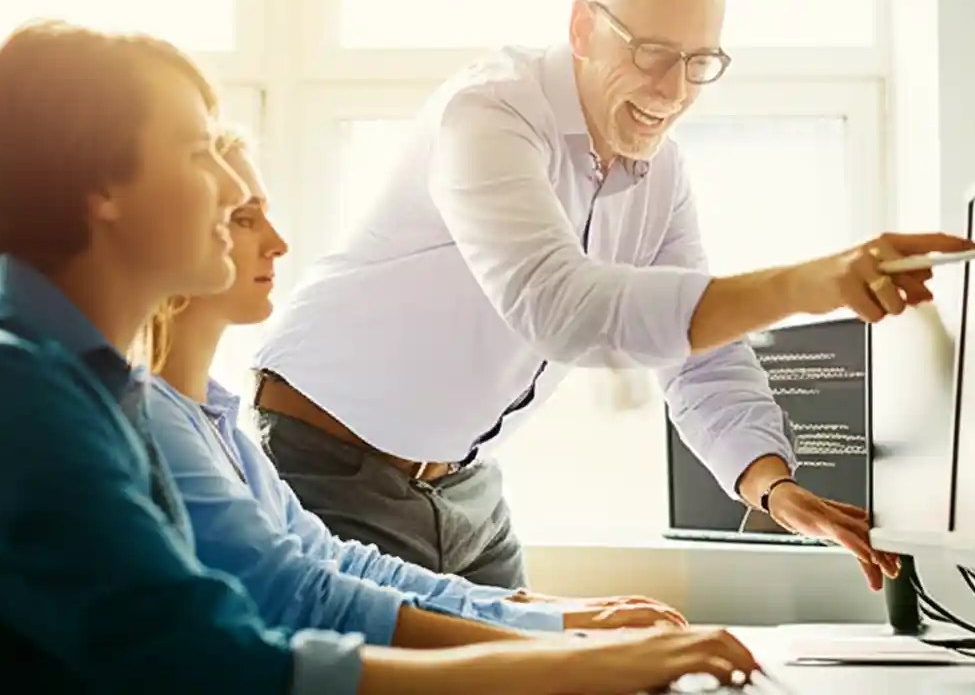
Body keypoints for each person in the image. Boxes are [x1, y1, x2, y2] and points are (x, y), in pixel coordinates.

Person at [0, 20, 763, 693]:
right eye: (200, 153)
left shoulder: (86, 387)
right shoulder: (5, 389)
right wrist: (564, 664)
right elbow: (209, 656)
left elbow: (294, 581)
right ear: (102, 190)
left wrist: (560, 642)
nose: (235, 194)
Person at [252, 0, 966, 590]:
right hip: (324, 465)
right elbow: (563, 310)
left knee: (548, 674)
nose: (676, 90)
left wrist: (770, 484)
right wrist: (815, 282)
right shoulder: (491, 112)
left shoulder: (663, 175)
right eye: (654, 54)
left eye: (700, 62)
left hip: (462, 484)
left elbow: (696, 353)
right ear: (583, 28)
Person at [141, 127, 691, 651]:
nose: (279, 244)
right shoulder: (153, 425)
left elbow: (339, 562)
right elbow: (300, 596)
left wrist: (557, 619)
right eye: (241, 218)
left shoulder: (219, 431)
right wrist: (563, 645)